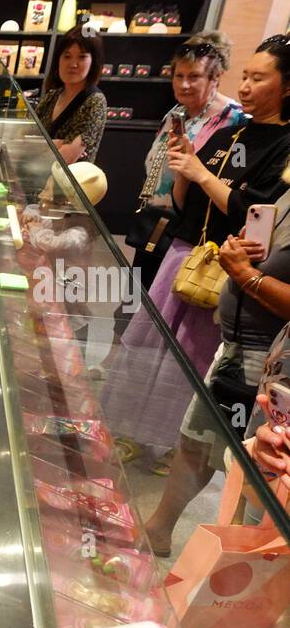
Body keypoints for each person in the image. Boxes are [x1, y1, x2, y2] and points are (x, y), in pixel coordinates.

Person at [101, 36, 290, 478]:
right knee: (148, 349)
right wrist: (184, 165)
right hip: (183, 255)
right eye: (245, 75)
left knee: (190, 362)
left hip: (227, 270)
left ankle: (171, 447)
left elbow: (253, 213)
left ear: (286, 86)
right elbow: (188, 203)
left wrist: (200, 173)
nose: (245, 86)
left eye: (258, 78)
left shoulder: (283, 146)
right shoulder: (229, 134)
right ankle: (129, 431)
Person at [143, 174, 290, 555]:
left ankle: (233, 570)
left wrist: (244, 274)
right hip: (235, 350)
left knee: (254, 472)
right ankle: (159, 529)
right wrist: (242, 256)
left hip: (275, 370)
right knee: (197, 441)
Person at [129, 33, 243, 295]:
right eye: (179, 76)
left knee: (168, 299)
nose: (184, 84)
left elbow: (232, 178)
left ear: (215, 78)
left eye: (194, 77)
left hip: (193, 233)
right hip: (157, 221)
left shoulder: (234, 119)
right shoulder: (176, 112)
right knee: (134, 297)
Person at [34, 27, 108, 165]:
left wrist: (40, 145)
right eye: (67, 56)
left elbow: (64, 159)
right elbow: (25, 140)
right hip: (37, 178)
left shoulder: (95, 102)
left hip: (66, 184)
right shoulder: (52, 96)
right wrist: (56, 144)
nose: (73, 64)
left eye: (82, 57)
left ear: (94, 62)